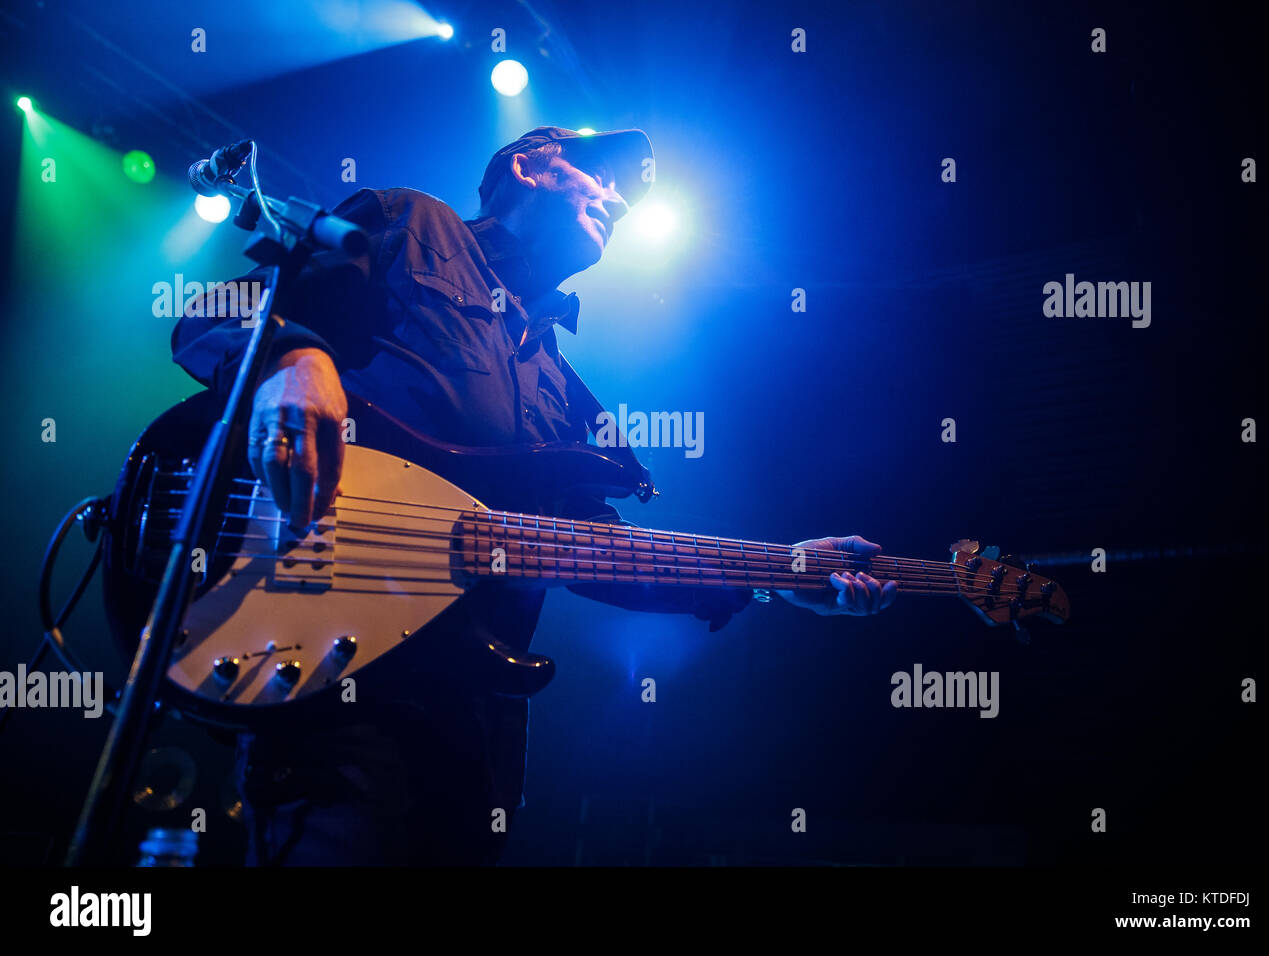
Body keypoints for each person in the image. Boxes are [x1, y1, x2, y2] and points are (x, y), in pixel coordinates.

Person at [172, 127, 897, 865]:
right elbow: (219, 311)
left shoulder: (560, 383)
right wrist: (294, 361)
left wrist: (785, 568)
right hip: (331, 680)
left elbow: (595, 552)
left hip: (472, 721)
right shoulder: (413, 223)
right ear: (528, 164)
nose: (621, 197)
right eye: (604, 174)